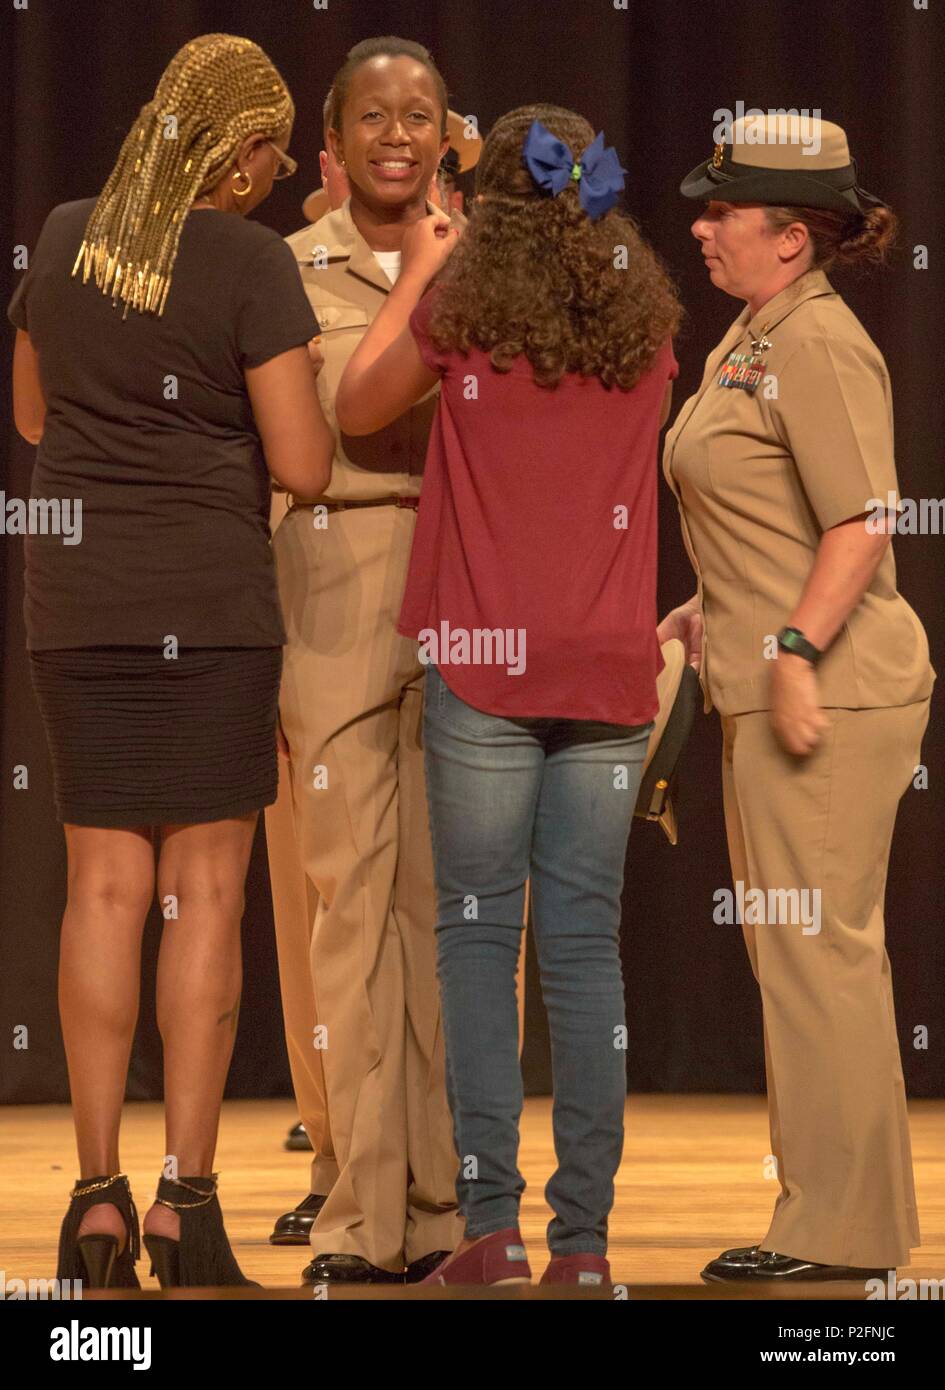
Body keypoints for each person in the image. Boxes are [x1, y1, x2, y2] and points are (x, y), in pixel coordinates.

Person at [337, 103, 682, 1286]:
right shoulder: (647, 325)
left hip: (486, 665)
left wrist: (422, 264)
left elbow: (356, 406)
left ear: (493, 206)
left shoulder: (465, 313)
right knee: (585, 950)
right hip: (608, 671)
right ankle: (584, 1248)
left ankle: (491, 1232)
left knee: (481, 943)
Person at [7, 33, 331, 1289]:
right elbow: (303, 463)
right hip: (210, 603)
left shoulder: (66, 237)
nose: (274, 177)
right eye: (274, 156)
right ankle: (184, 1207)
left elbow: (34, 414)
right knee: (203, 895)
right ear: (237, 150)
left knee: (101, 890)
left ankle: (92, 1199)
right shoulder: (250, 260)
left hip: (79, 601)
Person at [658, 113, 935, 1283]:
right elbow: (769, 514)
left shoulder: (816, 341)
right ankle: (836, 1215)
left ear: (792, 235)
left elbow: (863, 520)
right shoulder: (755, 333)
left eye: (724, 210)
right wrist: (709, 607)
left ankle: (837, 1233)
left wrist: (790, 643)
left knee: (820, 955)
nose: (702, 226)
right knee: (803, 955)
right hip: (774, 677)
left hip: (830, 690)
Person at [263, 35, 469, 1285]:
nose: (400, 134)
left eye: (421, 113)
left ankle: (441, 1207)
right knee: (350, 910)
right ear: (333, 145)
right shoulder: (283, 269)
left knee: (448, 915)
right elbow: (347, 412)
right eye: (375, 116)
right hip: (333, 582)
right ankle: (356, 1206)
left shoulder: (493, 265)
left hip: (465, 590)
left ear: (449, 135)